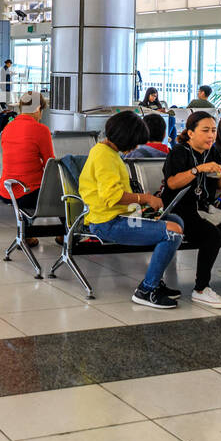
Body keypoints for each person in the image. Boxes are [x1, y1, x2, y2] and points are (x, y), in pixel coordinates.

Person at [79, 110, 184, 309]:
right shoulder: (105, 157)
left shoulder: (106, 152)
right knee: (172, 232)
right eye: (134, 142)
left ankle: (155, 281)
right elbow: (113, 197)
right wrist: (145, 198)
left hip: (120, 216)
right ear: (125, 138)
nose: (135, 147)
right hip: (107, 223)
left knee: (176, 221)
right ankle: (147, 289)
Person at [162, 111, 221, 307]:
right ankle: (201, 288)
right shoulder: (179, 152)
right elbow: (172, 183)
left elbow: (219, 185)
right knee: (211, 235)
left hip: (205, 208)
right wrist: (198, 169)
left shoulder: (212, 152)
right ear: (190, 133)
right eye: (205, 130)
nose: (211, 135)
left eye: (213, 130)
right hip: (180, 211)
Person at [0, 92, 55, 240]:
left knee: (32, 184)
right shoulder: (41, 130)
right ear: (37, 109)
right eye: (42, 111)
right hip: (28, 192)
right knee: (63, 193)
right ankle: (66, 234)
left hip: (6, 189)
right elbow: (50, 164)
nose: (41, 115)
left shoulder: (7, 129)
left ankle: (27, 235)